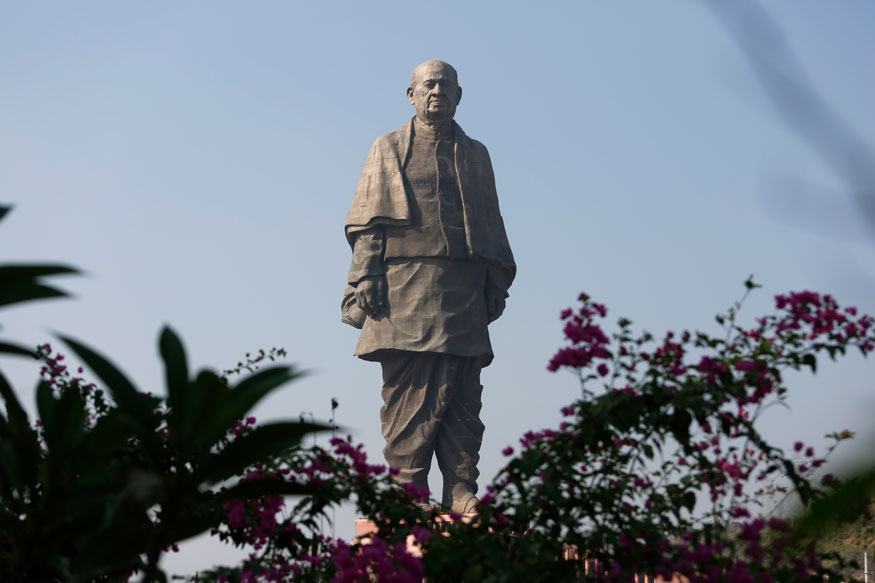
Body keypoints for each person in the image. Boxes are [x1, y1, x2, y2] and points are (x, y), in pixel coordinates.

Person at [342, 60, 515, 513]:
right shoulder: (388, 147)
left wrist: (495, 280)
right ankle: (408, 488)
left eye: (446, 85)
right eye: (429, 84)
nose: (437, 91)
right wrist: (366, 274)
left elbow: (492, 223)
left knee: (463, 392)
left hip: (463, 287)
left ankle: (461, 490)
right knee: (408, 392)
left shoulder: (477, 155)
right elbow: (368, 224)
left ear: (460, 95)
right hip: (404, 286)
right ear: (411, 94)